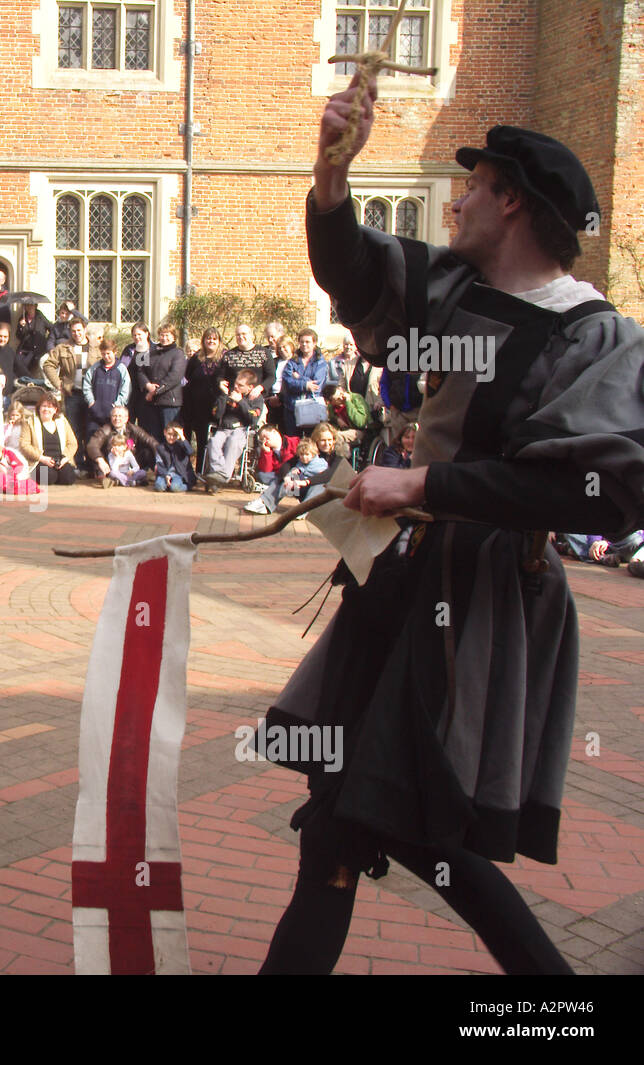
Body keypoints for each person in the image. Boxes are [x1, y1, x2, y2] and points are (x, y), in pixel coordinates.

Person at [256, 80, 644, 975]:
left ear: (511, 199)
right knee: (354, 826)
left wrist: (425, 481)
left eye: (473, 186)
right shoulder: (451, 292)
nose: (456, 200)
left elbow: (586, 492)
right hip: (399, 584)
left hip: (476, 609)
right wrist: (330, 172)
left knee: (385, 819)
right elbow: (352, 268)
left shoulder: (594, 336)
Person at [42, 316, 99, 464]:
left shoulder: (96, 347)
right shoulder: (63, 348)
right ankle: (78, 463)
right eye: (73, 331)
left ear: (85, 330)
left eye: (79, 330)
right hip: (72, 394)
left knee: (91, 428)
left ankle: (92, 464)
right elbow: (48, 365)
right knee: (74, 429)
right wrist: (58, 384)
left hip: (92, 395)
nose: (77, 334)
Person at [204, 368, 264, 489]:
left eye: (240, 385)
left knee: (233, 442)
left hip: (242, 430)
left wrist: (241, 401)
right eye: (235, 383)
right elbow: (217, 414)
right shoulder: (228, 394)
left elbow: (253, 419)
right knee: (214, 441)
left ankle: (223, 475)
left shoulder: (256, 398)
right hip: (224, 428)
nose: (236, 387)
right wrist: (223, 396)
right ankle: (217, 474)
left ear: (250, 387)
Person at [181, 327, 224, 475]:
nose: (211, 341)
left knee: (206, 442)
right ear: (203, 340)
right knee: (194, 438)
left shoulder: (224, 358)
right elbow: (187, 375)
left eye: (214, 339)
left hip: (213, 406)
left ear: (219, 341)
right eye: (208, 338)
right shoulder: (197, 358)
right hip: (194, 405)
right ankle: (187, 471)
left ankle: (202, 471)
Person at [134, 321, 187, 437]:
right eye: (162, 335)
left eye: (167, 335)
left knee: (170, 436)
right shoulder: (152, 353)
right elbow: (141, 371)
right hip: (153, 404)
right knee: (154, 437)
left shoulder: (178, 353)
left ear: (173, 336)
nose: (164, 338)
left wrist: (154, 392)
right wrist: (148, 385)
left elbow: (174, 377)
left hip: (169, 402)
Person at [86, 405, 158, 486]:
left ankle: (119, 481)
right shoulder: (105, 430)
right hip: (112, 464)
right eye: (114, 416)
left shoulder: (134, 429)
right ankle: (128, 481)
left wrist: (158, 462)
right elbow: (92, 445)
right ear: (111, 417)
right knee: (97, 459)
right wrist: (100, 460)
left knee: (147, 452)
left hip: (130, 464)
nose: (117, 419)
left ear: (126, 418)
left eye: (120, 416)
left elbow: (151, 442)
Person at [20, 394, 77, 486]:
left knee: (69, 478)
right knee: (47, 478)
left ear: (55, 410)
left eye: (50, 407)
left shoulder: (62, 421)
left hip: (60, 460)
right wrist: (42, 458)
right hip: (40, 460)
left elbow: (72, 443)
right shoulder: (30, 422)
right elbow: (24, 445)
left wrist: (65, 459)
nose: (46, 409)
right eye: (44, 406)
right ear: (39, 408)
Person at [81, 339, 130, 445]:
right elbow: (87, 386)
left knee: (111, 442)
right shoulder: (95, 368)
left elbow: (125, 390)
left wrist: (116, 406)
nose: (106, 356)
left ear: (115, 352)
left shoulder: (121, 369)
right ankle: (91, 462)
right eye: (103, 354)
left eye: (108, 353)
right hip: (95, 413)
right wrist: (91, 402)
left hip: (112, 415)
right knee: (91, 441)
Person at [281, 328, 329, 436]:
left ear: (314, 343)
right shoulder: (292, 361)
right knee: (292, 442)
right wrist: (305, 384)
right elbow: (287, 382)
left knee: (311, 442)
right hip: (292, 407)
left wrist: (298, 378)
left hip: (312, 408)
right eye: (302, 342)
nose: (304, 344)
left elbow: (316, 386)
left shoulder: (320, 362)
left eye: (307, 342)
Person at [152, 422, 194, 492]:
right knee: (159, 486)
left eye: (174, 435)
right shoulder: (160, 448)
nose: (171, 437)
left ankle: (187, 486)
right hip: (164, 474)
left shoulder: (181, 445)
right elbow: (159, 464)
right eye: (169, 434)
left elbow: (190, 452)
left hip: (178, 474)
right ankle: (168, 486)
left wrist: (182, 437)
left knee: (175, 488)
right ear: (165, 432)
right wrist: (166, 475)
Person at [14, 300, 50, 379]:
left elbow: (51, 327)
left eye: (31, 305)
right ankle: (26, 380)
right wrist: (21, 327)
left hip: (37, 349)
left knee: (29, 364)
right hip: (25, 349)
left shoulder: (40, 317)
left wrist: (47, 341)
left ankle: (30, 380)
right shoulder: (22, 317)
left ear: (35, 306)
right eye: (27, 305)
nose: (29, 307)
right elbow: (18, 336)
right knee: (17, 362)